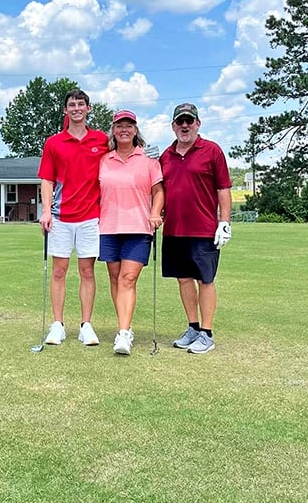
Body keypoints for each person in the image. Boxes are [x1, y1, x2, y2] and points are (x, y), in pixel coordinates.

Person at [38, 88, 109, 346]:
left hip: (91, 216)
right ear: (66, 110)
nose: (76, 108)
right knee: (59, 271)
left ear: (88, 108)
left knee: (87, 271)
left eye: (81, 104)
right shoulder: (54, 143)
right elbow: (47, 178)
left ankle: (86, 325)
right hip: (61, 217)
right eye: (72, 105)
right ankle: (57, 325)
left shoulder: (101, 140)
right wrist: (46, 210)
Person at [160, 103, 232, 354]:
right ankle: (192, 327)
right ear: (173, 126)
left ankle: (207, 333)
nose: (185, 126)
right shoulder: (166, 156)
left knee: (205, 280)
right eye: (180, 122)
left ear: (198, 124)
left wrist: (224, 222)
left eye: (189, 121)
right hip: (174, 229)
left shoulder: (211, 151)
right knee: (183, 280)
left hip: (203, 229)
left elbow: (223, 188)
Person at [98, 110, 164, 355]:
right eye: (119, 125)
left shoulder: (148, 162)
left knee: (128, 279)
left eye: (129, 125)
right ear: (113, 131)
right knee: (115, 279)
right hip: (108, 227)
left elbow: (158, 192)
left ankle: (124, 333)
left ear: (136, 130)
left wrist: (155, 212)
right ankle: (123, 326)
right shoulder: (104, 161)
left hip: (138, 228)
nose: (124, 129)